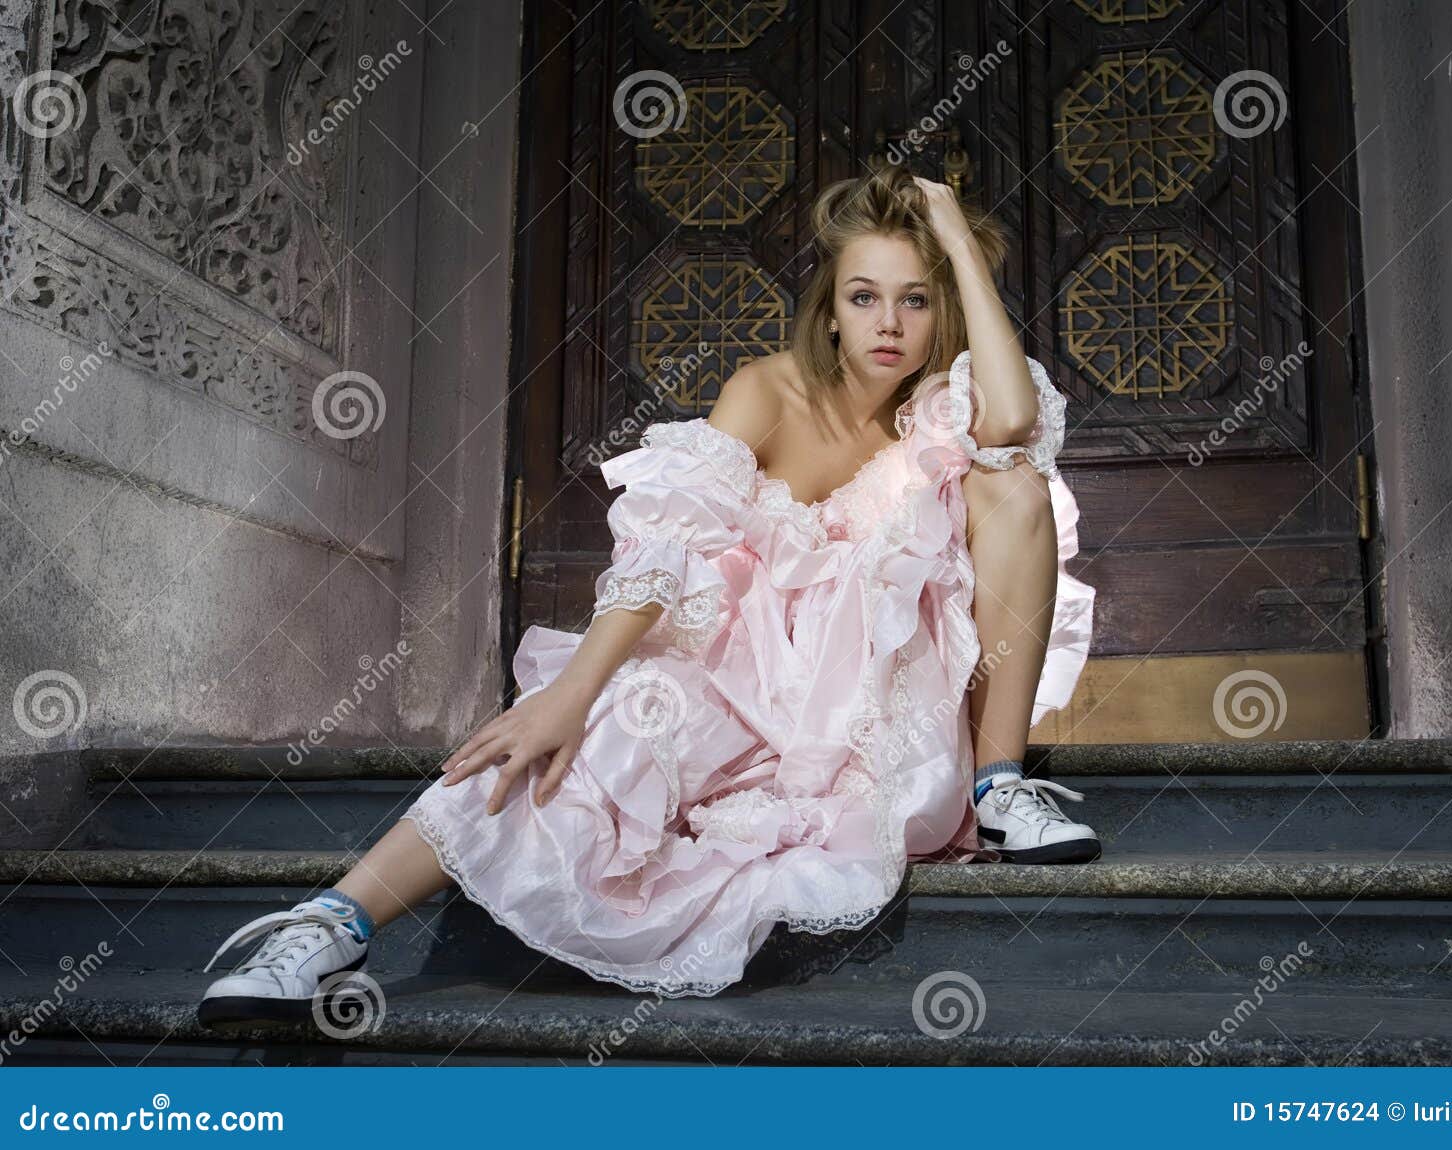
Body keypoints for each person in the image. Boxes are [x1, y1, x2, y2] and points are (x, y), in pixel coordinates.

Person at [196, 165, 1097, 1027]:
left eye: (915, 298)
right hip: (745, 667)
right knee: (610, 724)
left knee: (1012, 483)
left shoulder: (938, 405)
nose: (888, 323)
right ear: (829, 311)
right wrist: (570, 693)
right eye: (864, 296)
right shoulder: (767, 391)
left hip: (870, 696)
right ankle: (329, 926)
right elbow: (670, 540)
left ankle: (999, 784)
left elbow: (1014, 420)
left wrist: (954, 237)